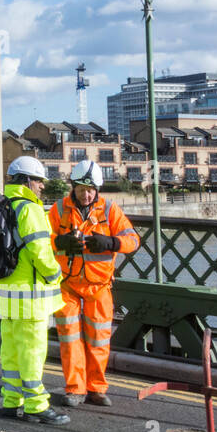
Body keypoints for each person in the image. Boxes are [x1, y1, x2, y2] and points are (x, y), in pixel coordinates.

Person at [48, 160, 140, 407]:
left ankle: (96, 388)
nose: (86, 195)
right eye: (81, 190)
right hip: (67, 285)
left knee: (99, 339)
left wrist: (111, 243)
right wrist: (60, 242)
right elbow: (43, 239)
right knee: (70, 339)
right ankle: (75, 389)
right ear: (73, 188)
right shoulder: (58, 210)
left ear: (97, 189)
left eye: (90, 190)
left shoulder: (110, 210)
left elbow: (133, 240)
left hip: (99, 286)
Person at [0, 156, 70, 425]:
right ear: (27, 181)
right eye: (38, 180)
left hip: (8, 293)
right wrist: (56, 274)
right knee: (32, 351)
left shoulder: (4, 205)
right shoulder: (30, 209)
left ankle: (11, 400)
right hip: (31, 297)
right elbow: (40, 250)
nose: (41, 186)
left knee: (12, 349)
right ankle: (37, 406)